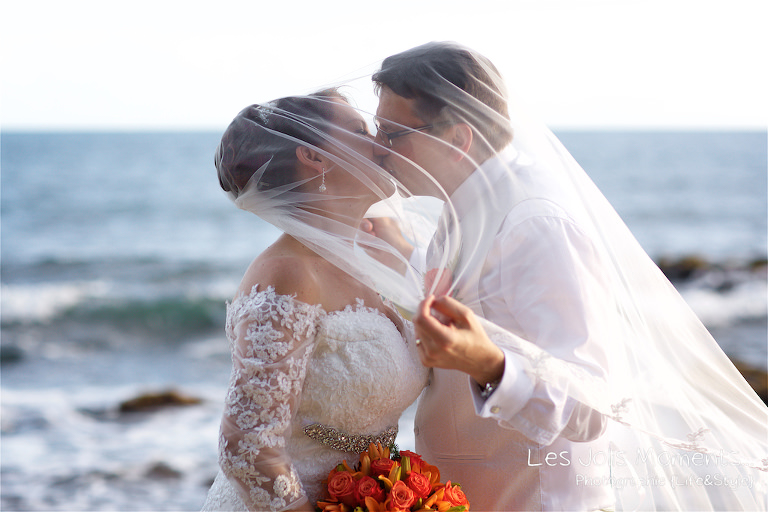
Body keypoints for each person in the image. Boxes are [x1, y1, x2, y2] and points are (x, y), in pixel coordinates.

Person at [362, 42, 768, 510]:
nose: (378, 149)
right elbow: (484, 300)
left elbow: (593, 404)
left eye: (392, 133)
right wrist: (400, 250)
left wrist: (489, 366)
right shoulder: (464, 208)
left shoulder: (535, 225)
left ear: (458, 139)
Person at [200, 89, 428, 511]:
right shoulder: (287, 275)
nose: (381, 141)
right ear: (315, 158)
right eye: (360, 130)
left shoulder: (376, 258)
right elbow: (247, 446)